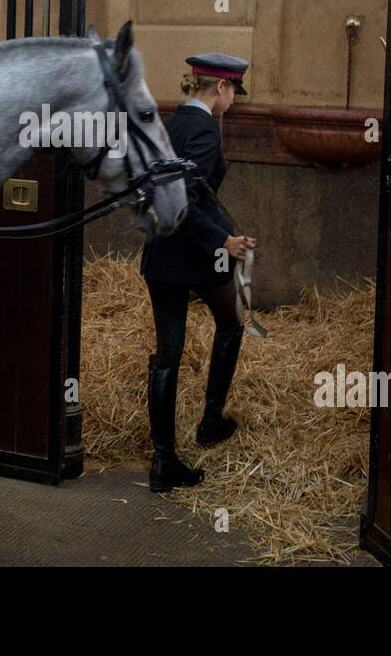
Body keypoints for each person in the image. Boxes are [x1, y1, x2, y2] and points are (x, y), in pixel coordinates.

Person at [139, 52, 256, 492]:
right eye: (233, 94)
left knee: (167, 354)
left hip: (162, 258)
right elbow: (182, 200)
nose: (232, 103)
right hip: (197, 257)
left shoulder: (168, 125)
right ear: (221, 88)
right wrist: (222, 241)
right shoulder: (206, 131)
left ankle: (163, 462)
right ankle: (210, 423)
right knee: (231, 324)